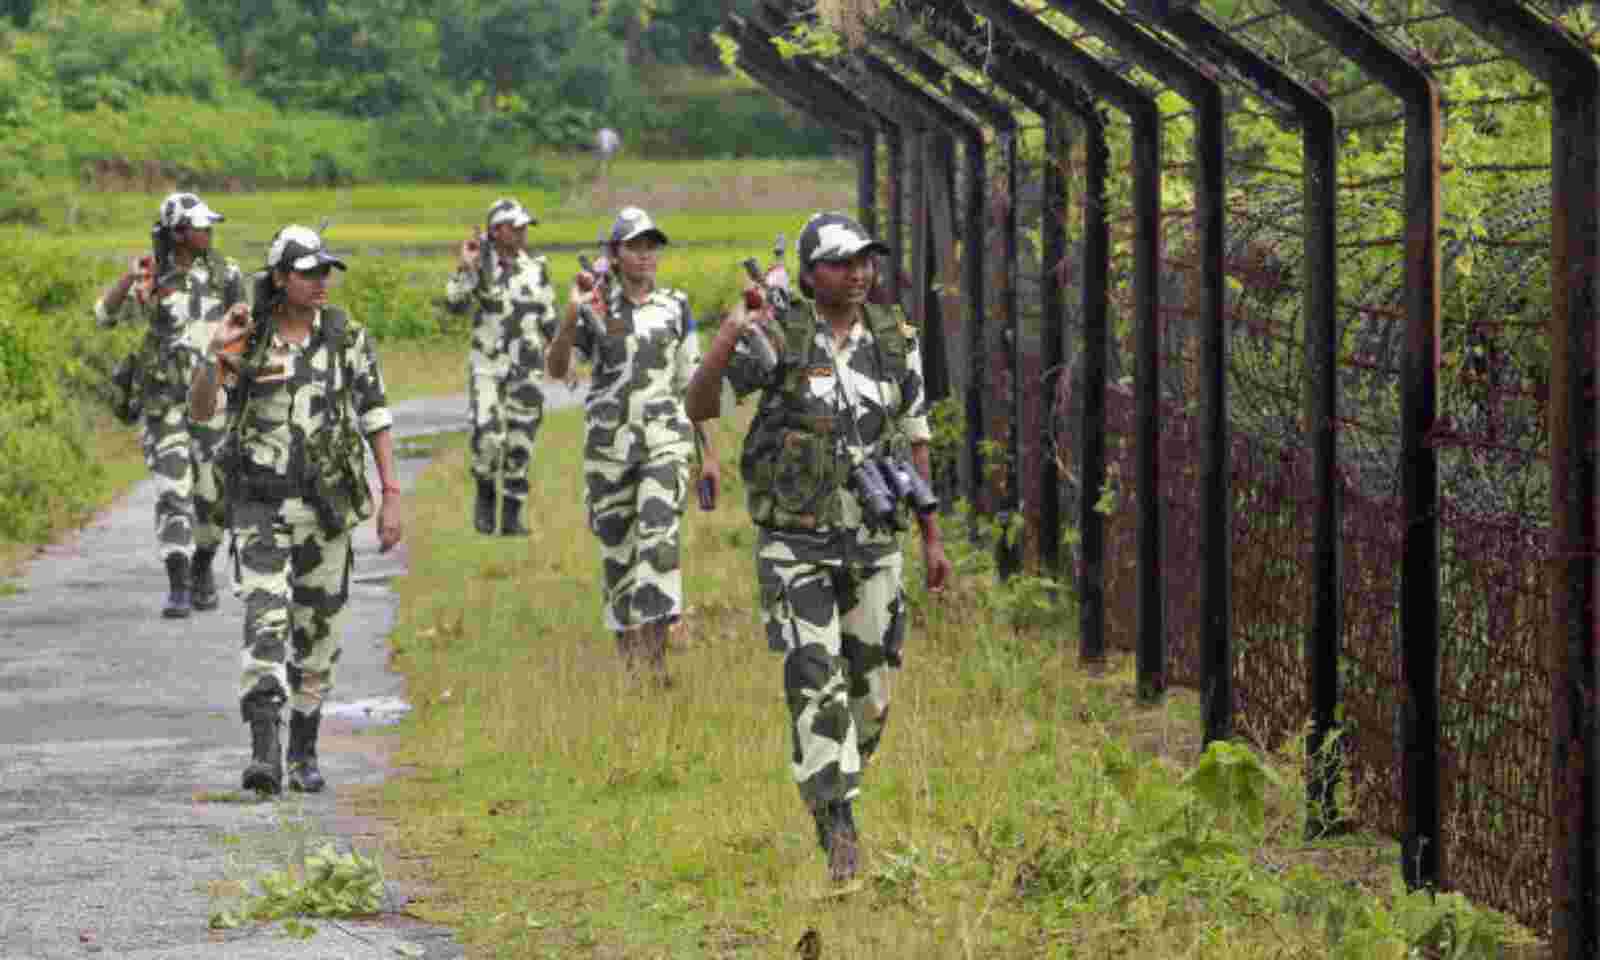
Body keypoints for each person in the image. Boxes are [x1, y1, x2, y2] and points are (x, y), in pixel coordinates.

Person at [684, 212, 952, 883]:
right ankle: (837, 822)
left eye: (866, 259)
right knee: (814, 680)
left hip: (873, 543)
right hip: (794, 545)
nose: (859, 272)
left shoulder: (895, 340)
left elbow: (916, 434)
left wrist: (932, 536)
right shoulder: (782, 336)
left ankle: (835, 784)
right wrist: (727, 336)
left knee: (871, 698)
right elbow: (699, 403)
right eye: (841, 262)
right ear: (809, 274)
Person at [188, 225, 403, 796]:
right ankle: (265, 754)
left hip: (327, 511)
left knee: (319, 635)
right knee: (265, 623)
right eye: (307, 272)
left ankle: (304, 748)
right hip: (261, 508)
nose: (320, 282)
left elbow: (374, 414)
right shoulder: (250, 338)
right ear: (280, 278)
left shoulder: (346, 337)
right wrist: (216, 353)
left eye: (325, 271)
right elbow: (203, 408)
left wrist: (391, 495)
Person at [546, 206, 719, 681]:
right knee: (618, 554)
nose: (645, 255)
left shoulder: (676, 307)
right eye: (634, 246)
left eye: (651, 246)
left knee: (660, 542)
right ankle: (631, 668)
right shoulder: (595, 310)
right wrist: (571, 312)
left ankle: (658, 659)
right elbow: (559, 369)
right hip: (609, 449)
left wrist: (710, 456)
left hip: (665, 441)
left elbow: (693, 383)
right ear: (614, 254)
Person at [94, 191, 245, 618]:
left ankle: (201, 567)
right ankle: (178, 585)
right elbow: (104, 317)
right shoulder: (152, 277)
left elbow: (247, 330)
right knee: (172, 492)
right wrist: (128, 280)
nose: (208, 232)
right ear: (179, 232)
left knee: (212, 497)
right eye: (200, 226)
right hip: (163, 403)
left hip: (212, 402)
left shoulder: (227, 275)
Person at [444, 198, 557, 536]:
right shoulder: (480, 263)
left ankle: (511, 516)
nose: (523, 232)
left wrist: (564, 356)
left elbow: (549, 316)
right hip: (488, 366)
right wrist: (467, 268)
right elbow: (454, 304)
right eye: (516, 226)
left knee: (521, 443)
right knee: (488, 434)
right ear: (497, 230)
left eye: (525, 226)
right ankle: (484, 491)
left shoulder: (537, 267)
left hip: (528, 367)